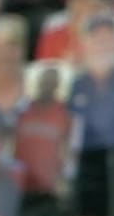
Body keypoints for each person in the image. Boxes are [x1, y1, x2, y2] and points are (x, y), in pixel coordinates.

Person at [67, 11, 114, 151]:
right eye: (96, 38)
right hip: (84, 159)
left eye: (109, 37)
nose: (103, 45)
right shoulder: (71, 84)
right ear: (84, 44)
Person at [16, 60, 76, 196]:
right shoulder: (22, 111)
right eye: (45, 81)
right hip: (20, 184)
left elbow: (68, 151)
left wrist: (63, 182)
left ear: (57, 85)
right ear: (39, 83)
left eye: (51, 82)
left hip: (48, 187)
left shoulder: (64, 115)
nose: (47, 85)